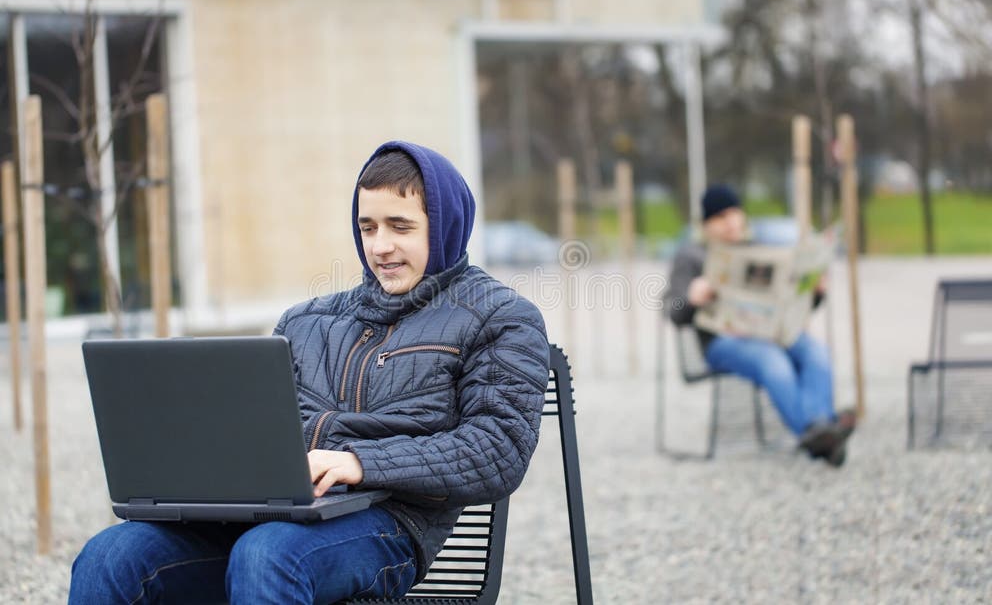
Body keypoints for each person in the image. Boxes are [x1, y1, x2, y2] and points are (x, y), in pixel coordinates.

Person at [69, 141, 551, 603]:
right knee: (110, 556)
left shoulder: (500, 317)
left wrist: (358, 462)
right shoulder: (305, 321)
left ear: (445, 226)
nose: (380, 246)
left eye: (400, 227)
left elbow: (498, 449)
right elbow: (257, 430)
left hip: (388, 523)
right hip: (270, 516)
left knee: (269, 556)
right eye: (368, 227)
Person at [664, 184, 855, 466]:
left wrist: (814, 293)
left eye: (734, 213)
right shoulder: (690, 256)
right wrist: (691, 298)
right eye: (720, 217)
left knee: (816, 352)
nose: (730, 222)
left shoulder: (761, 250)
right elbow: (672, 310)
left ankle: (820, 431)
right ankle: (818, 431)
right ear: (706, 225)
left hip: (772, 333)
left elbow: (789, 305)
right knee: (773, 360)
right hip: (723, 342)